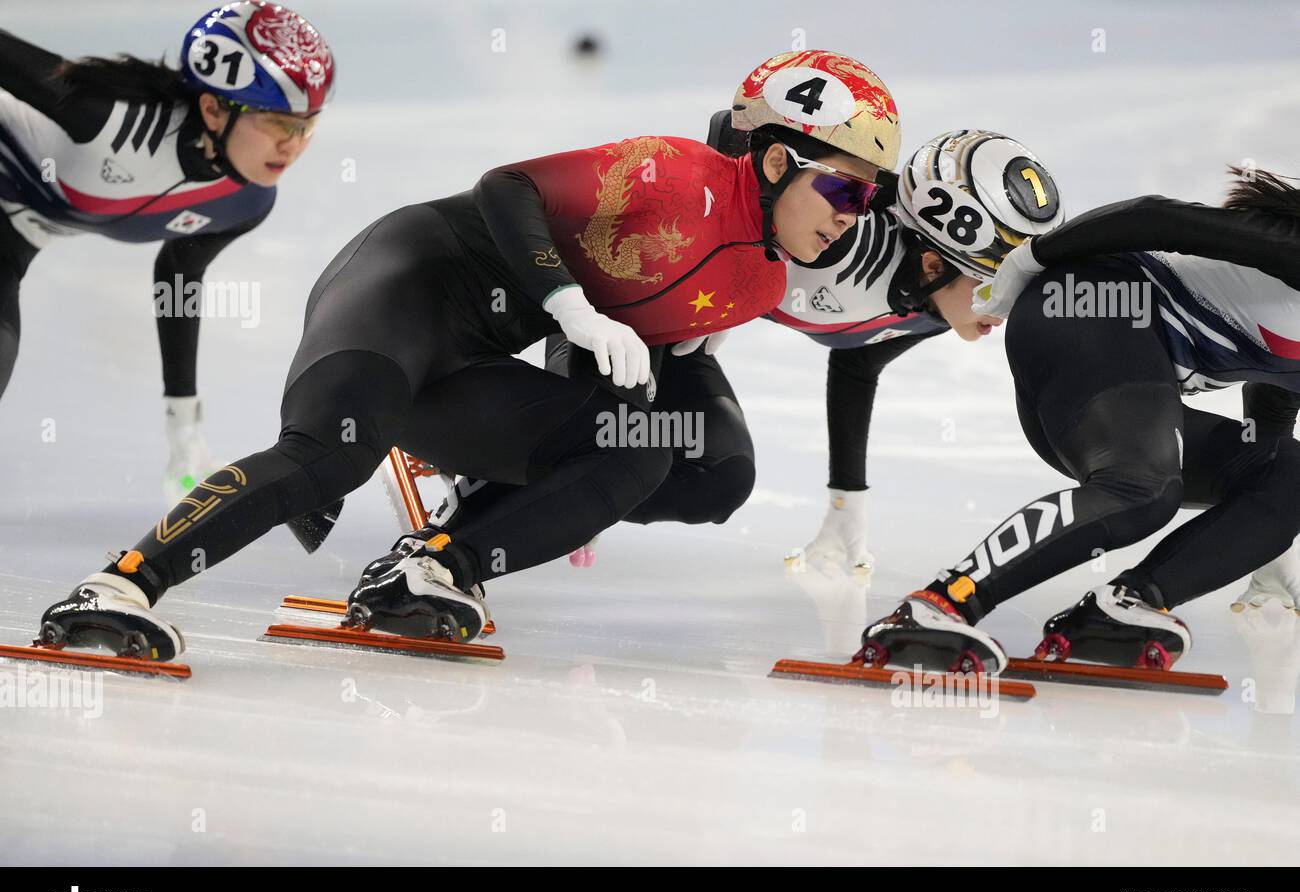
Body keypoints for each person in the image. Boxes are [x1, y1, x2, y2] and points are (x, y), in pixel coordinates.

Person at [37, 50, 901, 662]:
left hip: (473, 364)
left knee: (650, 451)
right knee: (332, 452)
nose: (853, 214)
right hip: (409, 283)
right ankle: (118, 586)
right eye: (845, 188)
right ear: (780, 159)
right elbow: (506, 188)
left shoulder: (758, 284)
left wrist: (579, 448)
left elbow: (626, 367)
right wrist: (568, 304)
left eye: (870, 199)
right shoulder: (675, 174)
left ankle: (430, 566)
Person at [547, 127, 1065, 579]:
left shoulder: (938, 305)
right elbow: (734, 130)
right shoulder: (848, 224)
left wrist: (847, 502)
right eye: (997, 284)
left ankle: (545, 500)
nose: (1008, 307)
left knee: (720, 482)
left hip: (688, 323)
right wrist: (724, 266)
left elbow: (858, 361)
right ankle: (498, 512)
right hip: (617, 302)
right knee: (605, 452)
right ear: (934, 263)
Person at [860, 167, 1300, 675]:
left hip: (1107, 375)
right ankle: (940, 603)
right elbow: (1153, 215)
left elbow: (1271, 413)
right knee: (1143, 487)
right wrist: (1031, 257)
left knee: (1286, 474)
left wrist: (1266, 533)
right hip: (1084, 304)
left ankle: (1127, 606)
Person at [0, 2, 333, 498]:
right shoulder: (108, 121)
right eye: (279, 123)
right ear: (213, 108)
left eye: (307, 125)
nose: (294, 145)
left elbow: (178, 277)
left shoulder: (244, 202)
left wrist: (184, 429)